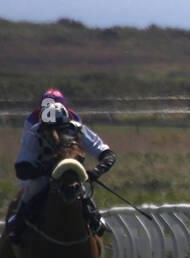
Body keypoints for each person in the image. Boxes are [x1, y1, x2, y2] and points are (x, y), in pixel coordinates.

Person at [6, 89, 116, 245]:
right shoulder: (35, 132)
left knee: (83, 196)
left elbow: (106, 153)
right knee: (32, 193)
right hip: (43, 178)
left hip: (71, 175)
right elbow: (22, 168)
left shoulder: (76, 128)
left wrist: (96, 171)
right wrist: (46, 171)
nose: (56, 133)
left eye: (62, 129)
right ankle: (17, 230)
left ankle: (95, 221)